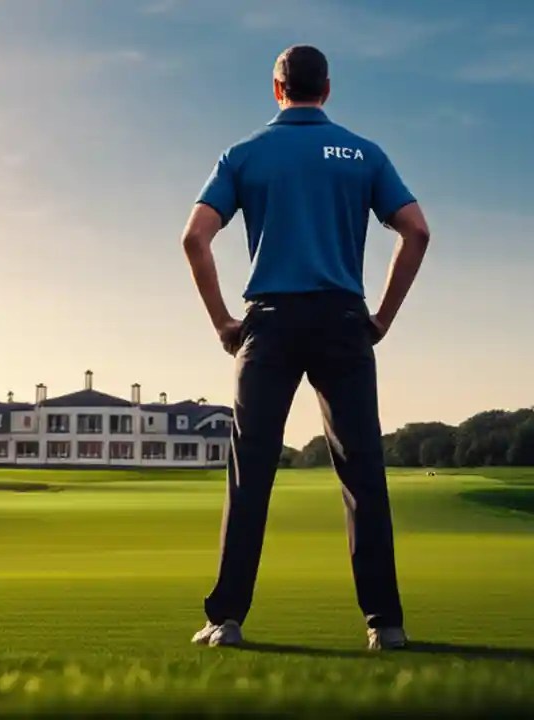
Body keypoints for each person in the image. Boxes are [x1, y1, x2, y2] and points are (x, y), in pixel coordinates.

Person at [181, 45, 431, 651]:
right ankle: (386, 625)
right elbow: (417, 231)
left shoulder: (243, 154)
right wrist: (382, 320)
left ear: (277, 88)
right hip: (345, 322)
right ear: (327, 88)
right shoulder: (364, 153)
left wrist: (223, 324)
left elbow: (195, 238)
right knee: (362, 473)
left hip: (268, 322)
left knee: (251, 474)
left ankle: (226, 620)